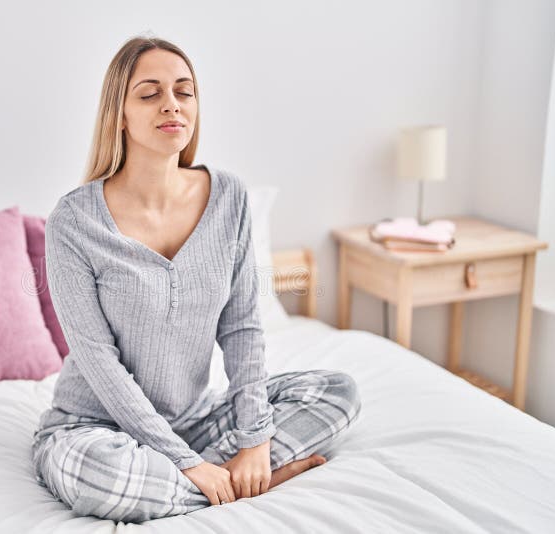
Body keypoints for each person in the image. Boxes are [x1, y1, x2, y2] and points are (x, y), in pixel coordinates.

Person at [30, 35, 362, 523]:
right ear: (118, 113)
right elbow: (99, 362)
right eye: (150, 93)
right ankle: (237, 485)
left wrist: (254, 440)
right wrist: (186, 462)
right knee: (100, 479)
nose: (172, 105)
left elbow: (242, 328)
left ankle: (222, 478)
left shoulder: (229, 197)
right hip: (95, 425)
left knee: (339, 392)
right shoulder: (73, 222)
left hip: (195, 419)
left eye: (184, 92)